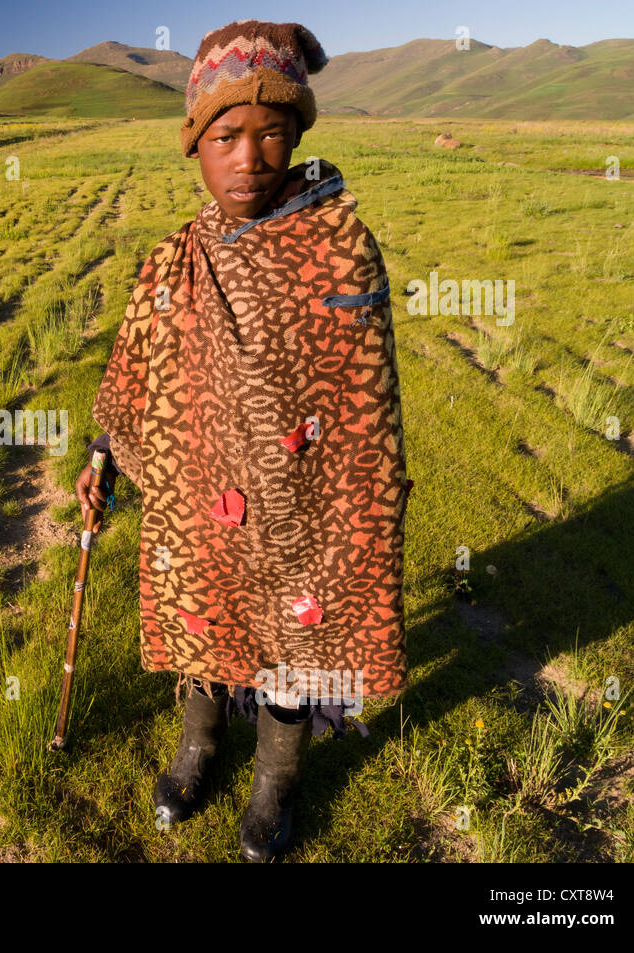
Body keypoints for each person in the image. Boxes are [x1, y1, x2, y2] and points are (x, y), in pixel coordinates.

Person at [75, 18, 411, 862]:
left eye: (272, 134)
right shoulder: (169, 261)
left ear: (297, 137)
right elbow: (136, 372)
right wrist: (102, 455)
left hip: (302, 512)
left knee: (296, 644)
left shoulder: (340, 252)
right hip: (200, 505)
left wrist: (365, 502)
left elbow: (366, 405)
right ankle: (198, 747)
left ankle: (276, 781)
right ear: (195, 145)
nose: (250, 156)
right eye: (226, 135)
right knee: (204, 622)